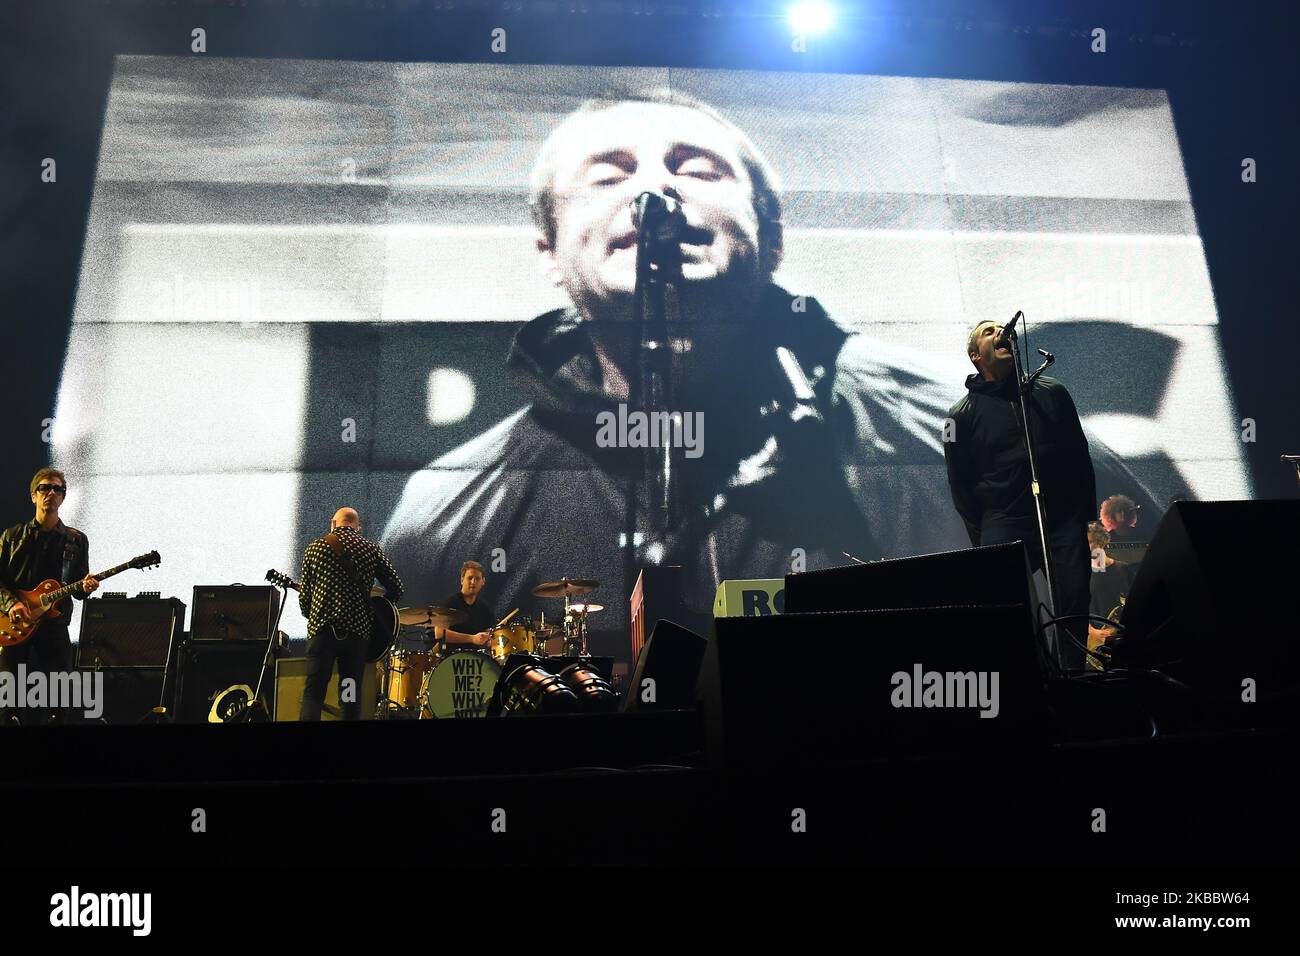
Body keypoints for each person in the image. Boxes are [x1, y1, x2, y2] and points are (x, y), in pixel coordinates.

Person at [382, 88, 1162, 656]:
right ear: (548, 249)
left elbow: (1140, 574)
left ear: (773, 232)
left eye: (695, 167)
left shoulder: (944, 419)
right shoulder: (445, 506)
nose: (656, 190)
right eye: (610, 172)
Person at [944, 320, 1098, 672]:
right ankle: (1033, 679)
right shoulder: (960, 416)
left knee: (1073, 599)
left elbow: (1079, 454)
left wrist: (1084, 516)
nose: (1001, 332)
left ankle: (1072, 680)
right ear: (974, 356)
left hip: (1061, 518)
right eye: (988, 331)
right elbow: (960, 484)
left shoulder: (1053, 392)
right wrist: (984, 532)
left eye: (1002, 327)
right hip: (1004, 520)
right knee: (1007, 605)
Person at [0, 468, 99, 725]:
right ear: (34, 495)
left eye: (58, 489)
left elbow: (77, 590)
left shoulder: (76, 541)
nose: (51, 493)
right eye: (45, 488)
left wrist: (85, 588)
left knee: (60, 697)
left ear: (63, 498)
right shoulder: (11, 538)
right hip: (15, 624)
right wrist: (12, 604)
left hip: (54, 625)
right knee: (10, 700)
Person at [298, 507, 403, 721]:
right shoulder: (370, 548)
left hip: (323, 635)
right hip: (355, 640)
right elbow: (397, 587)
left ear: (333, 524)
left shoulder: (315, 548)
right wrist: (380, 604)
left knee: (314, 694)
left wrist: (317, 614)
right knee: (350, 696)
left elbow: (305, 602)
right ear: (358, 528)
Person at [1084, 521, 1137, 670]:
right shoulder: (1083, 575)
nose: (1086, 547)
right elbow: (1076, 608)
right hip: (1096, 646)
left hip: (1122, 642)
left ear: (1101, 542)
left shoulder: (1124, 569)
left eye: (1089, 542)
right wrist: (1093, 631)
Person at [435, 561, 498, 649]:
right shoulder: (450, 603)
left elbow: (489, 639)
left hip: (477, 658)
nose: (473, 582)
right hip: (452, 658)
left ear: (483, 582)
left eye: (477, 579)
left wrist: (490, 639)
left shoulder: (485, 608)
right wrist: (472, 638)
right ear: (462, 580)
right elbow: (439, 633)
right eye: (470, 578)